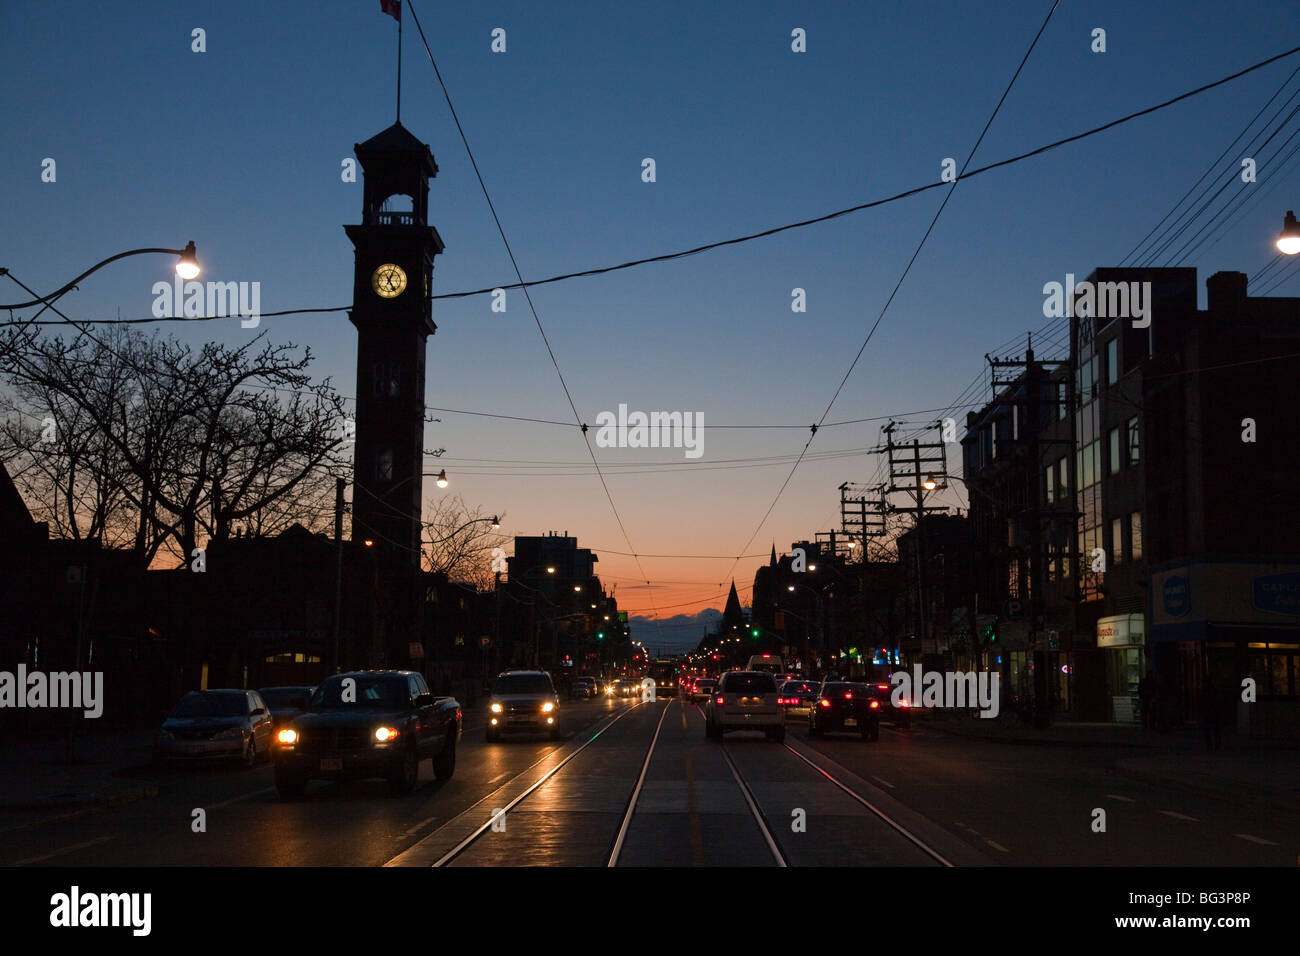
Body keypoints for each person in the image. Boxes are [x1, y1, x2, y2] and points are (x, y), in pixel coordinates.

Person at [1199, 678, 1222, 751]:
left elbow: (1202, 703)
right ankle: (1216, 746)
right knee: (1215, 731)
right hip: (1214, 712)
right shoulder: (1215, 691)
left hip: (1208, 712)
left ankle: (1210, 746)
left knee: (1208, 730)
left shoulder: (1205, 691)